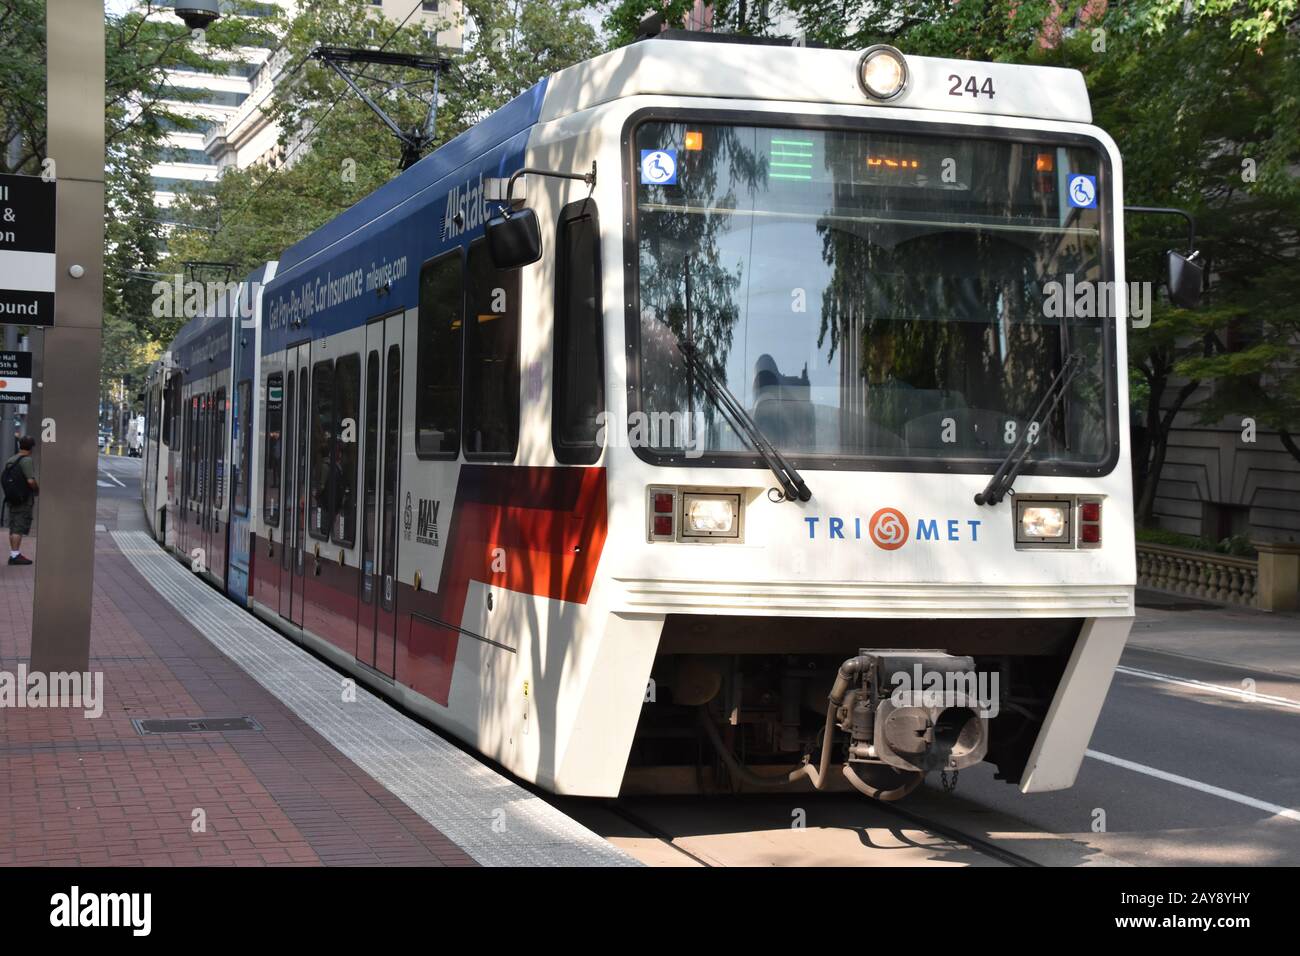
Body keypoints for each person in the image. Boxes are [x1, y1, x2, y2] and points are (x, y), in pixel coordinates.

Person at [3, 435, 38, 565]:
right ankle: (15, 555)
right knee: (19, 526)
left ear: (20, 445)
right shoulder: (26, 460)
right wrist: (36, 489)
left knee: (13, 526)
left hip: (12, 497)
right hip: (23, 498)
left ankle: (14, 553)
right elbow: (30, 480)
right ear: (31, 448)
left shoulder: (12, 459)